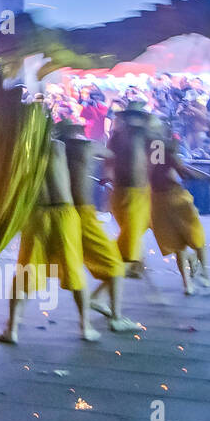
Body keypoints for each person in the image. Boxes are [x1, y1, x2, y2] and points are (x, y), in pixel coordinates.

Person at [0, 131, 100, 344]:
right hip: (62, 214)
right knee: (73, 270)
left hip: (36, 215)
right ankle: (86, 327)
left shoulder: (17, 152)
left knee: (25, 272)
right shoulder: (57, 146)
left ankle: (12, 328)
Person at [58, 120, 140, 332]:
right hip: (82, 214)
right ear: (78, 133)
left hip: (61, 213)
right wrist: (122, 134)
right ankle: (116, 317)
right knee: (114, 265)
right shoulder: (85, 146)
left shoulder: (54, 150)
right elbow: (111, 154)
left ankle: (13, 325)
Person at [149, 129, 210, 294]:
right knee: (198, 237)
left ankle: (187, 284)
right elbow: (185, 172)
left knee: (178, 244)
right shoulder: (168, 154)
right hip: (175, 198)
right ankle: (206, 276)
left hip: (157, 201)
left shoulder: (151, 153)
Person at [106, 100, 159, 275]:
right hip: (119, 190)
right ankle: (135, 264)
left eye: (136, 117)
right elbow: (108, 159)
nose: (132, 120)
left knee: (133, 228)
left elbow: (159, 161)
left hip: (140, 191)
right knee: (129, 229)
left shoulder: (148, 135)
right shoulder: (116, 136)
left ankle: (121, 265)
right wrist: (108, 174)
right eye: (130, 117)